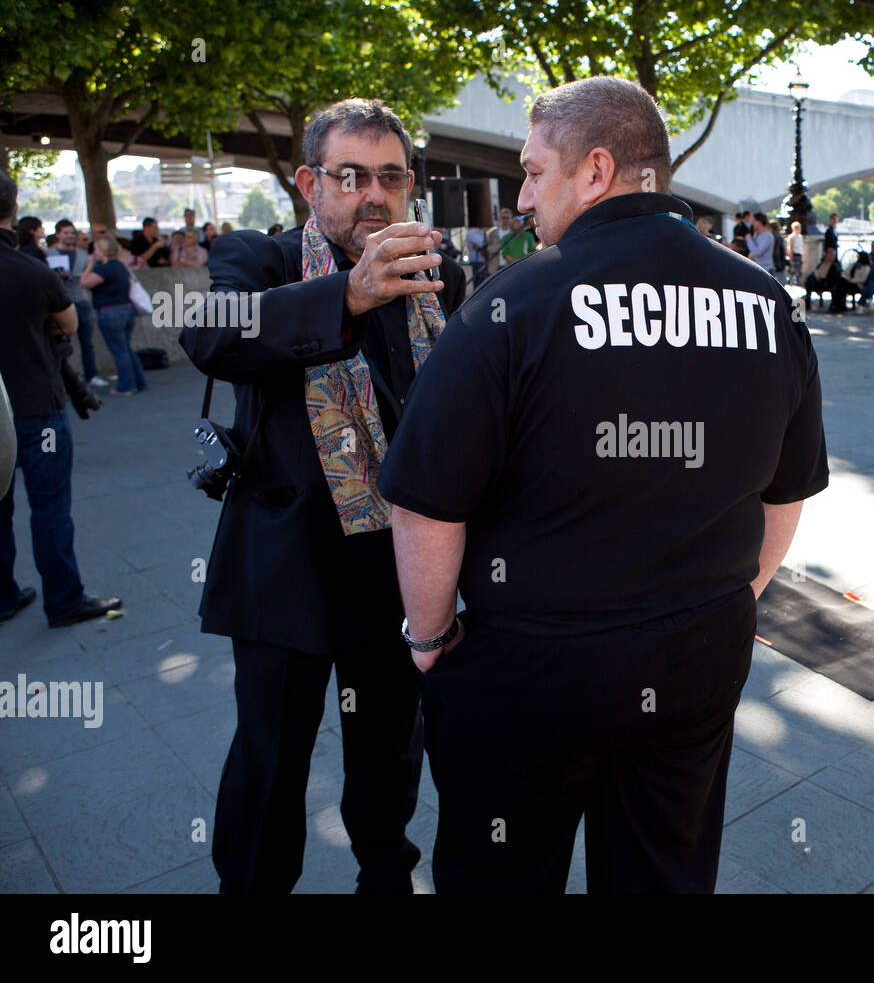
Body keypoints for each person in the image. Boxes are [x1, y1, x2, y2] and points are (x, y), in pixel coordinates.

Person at [376, 75, 828, 894]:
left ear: (594, 170)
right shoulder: (768, 304)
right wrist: (729, 599)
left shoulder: (511, 304)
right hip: (698, 654)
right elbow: (786, 493)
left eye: (532, 172)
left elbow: (424, 506)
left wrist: (430, 639)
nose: (522, 197)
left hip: (533, 668)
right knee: (663, 871)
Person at [178, 97, 465, 895]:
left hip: (397, 565)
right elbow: (211, 336)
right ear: (310, 183)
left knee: (391, 752)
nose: (374, 195)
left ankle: (387, 876)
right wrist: (348, 293)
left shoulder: (436, 272)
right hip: (288, 565)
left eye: (390, 177)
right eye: (351, 176)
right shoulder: (259, 257)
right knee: (270, 757)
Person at [0, 172, 123, 628]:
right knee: (49, 507)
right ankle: (64, 599)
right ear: (13, 209)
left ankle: (3, 596)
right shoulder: (32, 272)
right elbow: (68, 325)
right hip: (36, 407)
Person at [79, 236, 147, 395]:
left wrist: (89, 266)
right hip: (126, 309)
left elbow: (84, 282)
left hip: (110, 311)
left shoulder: (103, 269)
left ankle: (126, 385)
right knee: (126, 347)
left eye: (96, 250)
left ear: (101, 251)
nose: (93, 253)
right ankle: (139, 381)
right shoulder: (120, 266)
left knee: (119, 350)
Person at [47, 219, 107, 388]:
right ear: (58, 234)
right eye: (66, 233)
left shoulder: (83, 254)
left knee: (87, 341)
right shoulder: (49, 254)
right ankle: (63, 378)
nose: (69, 236)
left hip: (81, 299)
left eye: (72, 233)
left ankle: (91, 374)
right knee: (62, 343)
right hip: (61, 302)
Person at [747, 212, 777, 276]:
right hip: (759, 270)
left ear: (759, 222)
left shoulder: (768, 236)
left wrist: (749, 240)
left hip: (767, 271)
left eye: (754, 221)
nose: (752, 223)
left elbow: (757, 252)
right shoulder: (757, 235)